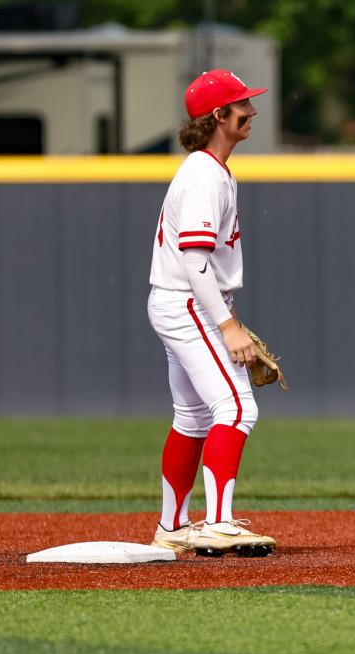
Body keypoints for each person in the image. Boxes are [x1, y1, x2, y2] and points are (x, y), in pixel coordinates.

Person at [146, 70, 276, 557]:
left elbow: (207, 265)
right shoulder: (204, 176)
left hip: (177, 300)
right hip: (187, 302)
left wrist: (232, 317)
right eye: (241, 104)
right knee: (238, 408)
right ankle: (218, 524)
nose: (252, 112)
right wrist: (227, 326)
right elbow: (195, 258)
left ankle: (174, 526)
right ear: (217, 115)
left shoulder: (210, 170)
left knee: (193, 417)